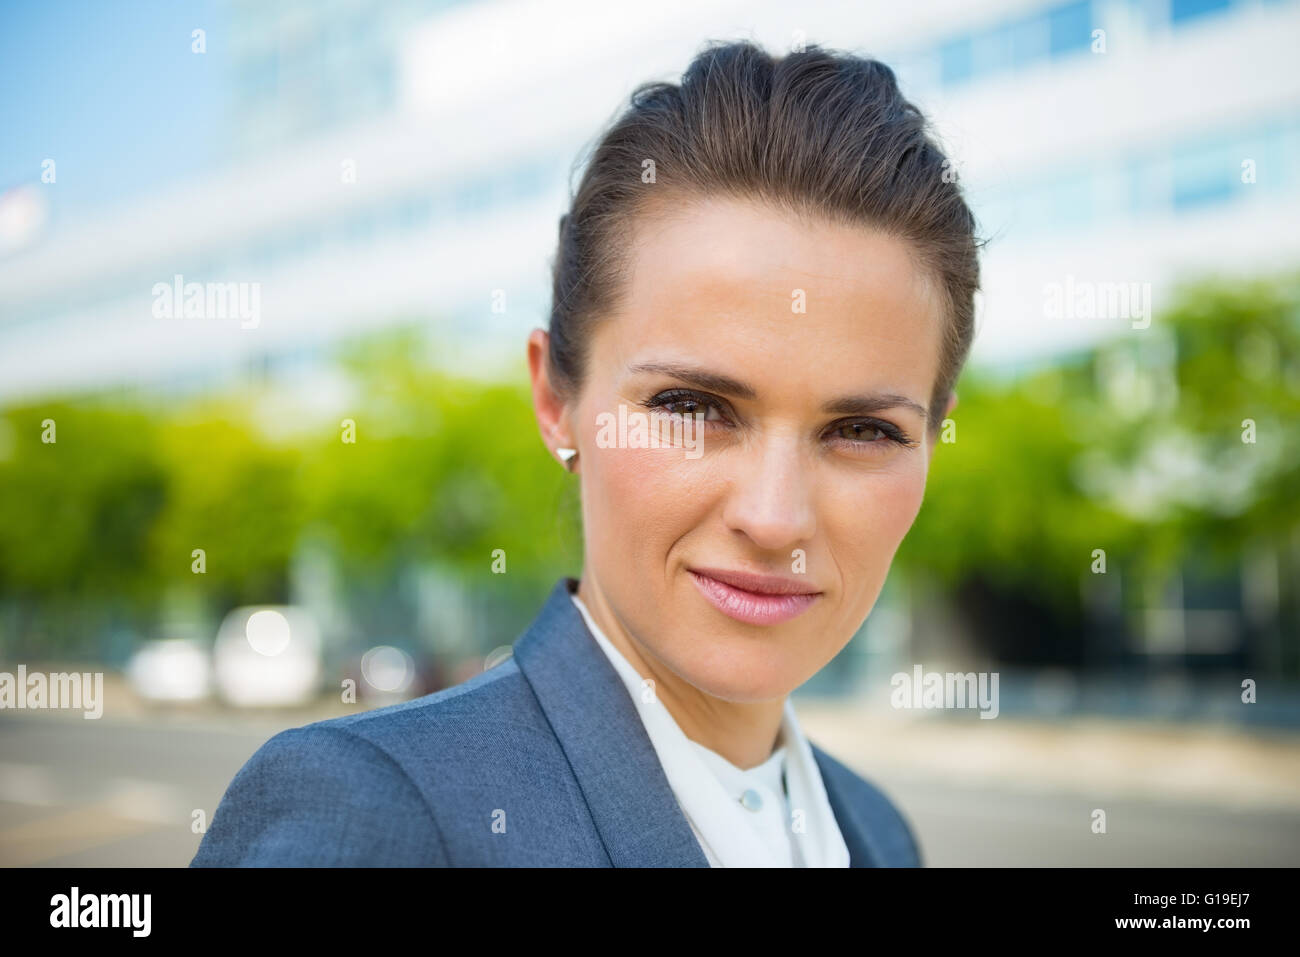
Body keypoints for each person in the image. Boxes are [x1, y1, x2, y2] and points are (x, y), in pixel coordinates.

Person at [191, 37, 980, 868]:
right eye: (692, 406)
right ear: (556, 401)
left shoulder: (882, 836)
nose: (774, 516)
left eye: (863, 430)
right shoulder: (370, 815)